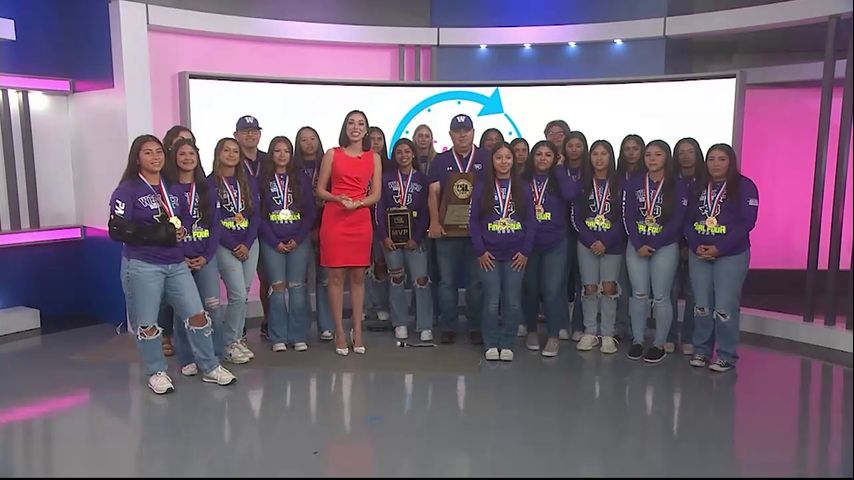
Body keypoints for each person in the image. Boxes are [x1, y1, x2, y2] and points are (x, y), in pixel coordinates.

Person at [108, 135, 235, 394]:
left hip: (176, 263)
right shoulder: (128, 189)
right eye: (148, 153)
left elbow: (188, 219)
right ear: (137, 158)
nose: (155, 157)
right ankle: (156, 372)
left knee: (198, 315)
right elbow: (116, 229)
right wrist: (158, 234)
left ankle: (209, 366)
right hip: (143, 264)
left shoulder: (171, 186)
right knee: (148, 323)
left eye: (158, 152)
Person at [686, 144, 758, 372]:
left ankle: (726, 354)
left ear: (731, 162)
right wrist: (696, 245)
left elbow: (747, 222)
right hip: (699, 253)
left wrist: (720, 247)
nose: (716, 163)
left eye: (721, 159)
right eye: (711, 159)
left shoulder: (745, 186)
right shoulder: (697, 186)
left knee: (725, 306)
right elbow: (686, 220)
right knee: (702, 305)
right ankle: (702, 350)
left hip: (731, 254)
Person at [316, 110, 383, 356]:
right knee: (335, 277)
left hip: (360, 219)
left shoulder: (373, 157)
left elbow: (376, 194)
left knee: (357, 277)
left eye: (361, 124)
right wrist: (337, 198)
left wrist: (360, 203)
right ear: (345, 128)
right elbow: (320, 190)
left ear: (366, 130)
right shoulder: (332, 154)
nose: (356, 127)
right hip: (335, 218)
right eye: (351, 123)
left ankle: (358, 329)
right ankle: (339, 332)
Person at [161, 137, 227, 376]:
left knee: (212, 307)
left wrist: (207, 256)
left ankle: (215, 354)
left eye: (191, 154)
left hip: (205, 257)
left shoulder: (207, 187)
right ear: (174, 159)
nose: (187, 158)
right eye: (182, 154)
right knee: (184, 310)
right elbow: (168, 227)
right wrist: (181, 256)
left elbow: (215, 226)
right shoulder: (167, 189)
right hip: (179, 260)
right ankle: (187, 357)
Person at [622, 140, 688, 363]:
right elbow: (628, 216)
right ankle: (638, 340)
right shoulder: (634, 183)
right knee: (639, 294)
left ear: (666, 158)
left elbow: (678, 219)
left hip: (665, 246)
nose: (652, 159)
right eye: (648, 155)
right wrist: (638, 243)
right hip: (637, 245)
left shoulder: (677, 184)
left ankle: (659, 343)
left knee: (661, 297)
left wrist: (657, 242)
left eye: (657, 155)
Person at [470, 142, 535, 362]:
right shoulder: (481, 187)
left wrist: (525, 251)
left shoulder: (523, 187)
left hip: (516, 254)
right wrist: (480, 251)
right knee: (491, 300)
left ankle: (507, 343)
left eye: (508, 157)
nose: (504, 162)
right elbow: (474, 221)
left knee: (513, 300)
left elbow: (531, 222)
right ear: (492, 161)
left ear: (514, 161)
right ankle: (491, 343)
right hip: (489, 255)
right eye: (499, 157)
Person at [427, 114, 488, 345]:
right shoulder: (440, 160)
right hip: (447, 232)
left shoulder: (485, 157)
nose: (462, 134)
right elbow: (433, 193)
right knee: (446, 282)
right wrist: (434, 221)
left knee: (476, 282)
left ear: (473, 132)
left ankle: (475, 326)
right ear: (450, 134)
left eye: (466, 130)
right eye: (457, 130)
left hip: (477, 233)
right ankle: (449, 326)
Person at [258, 135, 316, 352]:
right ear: (271, 154)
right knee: (277, 288)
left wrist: (297, 238)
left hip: (298, 241)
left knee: (298, 287)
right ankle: (278, 336)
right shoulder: (262, 180)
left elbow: (309, 213)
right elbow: (259, 215)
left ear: (291, 155)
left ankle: (298, 335)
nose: (282, 155)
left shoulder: (300, 179)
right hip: (272, 242)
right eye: (277, 151)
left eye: (286, 151)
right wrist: (274, 240)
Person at [520, 140, 579, 356]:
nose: (543, 158)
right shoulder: (523, 180)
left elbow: (572, 194)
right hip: (528, 243)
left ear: (555, 158)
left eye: (548, 155)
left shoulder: (560, 179)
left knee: (552, 290)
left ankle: (554, 335)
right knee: (531, 288)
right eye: (538, 154)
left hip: (556, 242)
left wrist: (561, 169)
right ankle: (532, 331)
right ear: (531, 157)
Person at [571, 140, 626, 355]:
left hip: (612, 245)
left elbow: (624, 217)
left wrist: (606, 241)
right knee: (589, 287)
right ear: (589, 157)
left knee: (609, 288)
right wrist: (590, 240)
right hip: (587, 244)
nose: (599, 158)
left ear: (611, 157)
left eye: (604, 153)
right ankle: (590, 331)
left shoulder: (621, 183)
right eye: (595, 153)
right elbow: (575, 216)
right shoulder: (582, 183)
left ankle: (607, 334)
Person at [376, 138, 434, 341]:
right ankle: (400, 322)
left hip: (414, 239)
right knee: (396, 279)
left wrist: (417, 237)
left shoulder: (422, 180)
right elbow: (379, 208)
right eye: (399, 152)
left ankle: (425, 324)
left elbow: (427, 212)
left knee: (421, 280)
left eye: (407, 152)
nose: (403, 155)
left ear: (413, 154)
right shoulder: (385, 178)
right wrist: (383, 236)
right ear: (395, 155)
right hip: (391, 240)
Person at [210, 138, 261, 365]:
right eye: (226, 150)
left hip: (249, 243)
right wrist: (233, 245)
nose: (231, 155)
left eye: (235, 151)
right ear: (218, 153)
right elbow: (213, 220)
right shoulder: (210, 183)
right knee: (238, 294)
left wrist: (247, 243)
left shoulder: (247, 180)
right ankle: (229, 343)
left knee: (245, 291)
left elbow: (256, 214)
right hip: (225, 244)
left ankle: (238, 338)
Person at [157, 125, 197, 357]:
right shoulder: (161, 176)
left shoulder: (196, 177)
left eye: (189, 142)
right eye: (179, 141)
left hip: (194, 242)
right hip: (165, 244)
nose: (184, 146)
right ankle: (165, 335)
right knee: (165, 294)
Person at [294, 126, 333, 341]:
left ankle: (325, 325)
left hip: (327, 226)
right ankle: (302, 326)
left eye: (312, 139)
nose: (309, 143)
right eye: (303, 140)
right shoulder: (292, 169)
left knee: (325, 279)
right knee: (300, 280)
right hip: (300, 229)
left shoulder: (328, 165)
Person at [667, 137, 705, 355]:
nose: (685, 156)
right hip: (671, 242)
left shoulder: (706, 181)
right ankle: (670, 337)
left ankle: (690, 337)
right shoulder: (669, 181)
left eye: (690, 151)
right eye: (681, 152)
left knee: (693, 293)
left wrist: (691, 243)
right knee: (669, 292)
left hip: (697, 244)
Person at [234, 115, 270, 341]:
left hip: (270, 226)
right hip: (242, 229)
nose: (250, 134)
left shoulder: (269, 159)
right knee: (240, 286)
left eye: (254, 130)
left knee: (268, 278)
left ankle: (268, 322)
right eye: (245, 130)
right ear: (236, 135)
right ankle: (240, 328)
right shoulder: (230, 160)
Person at [614, 134, 646, 341]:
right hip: (617, 237)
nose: (631, 152)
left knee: (646, 289)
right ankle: (621, 326)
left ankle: (640, 331)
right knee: (622, 286)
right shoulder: (615, 177)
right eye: (627, 148)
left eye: (635, 148)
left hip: (645, 238)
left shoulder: (650, 176)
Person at [562, 131, 589, 342]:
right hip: (562, 230)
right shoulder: (558, 168)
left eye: (578, 145)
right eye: (569, 145)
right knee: (561, 280)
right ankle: (562, 322)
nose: (573, 149)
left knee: (582, 281)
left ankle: (579, 324)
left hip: (585, 230)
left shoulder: (591, 170)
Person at [365, 127, 392, 327]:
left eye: (379, 139)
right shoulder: (358, 162)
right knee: (363, 266)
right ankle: (365, 307)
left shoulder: (391, 166)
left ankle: (382, 306)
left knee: (382, 265)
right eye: (372, 139)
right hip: (361, 220)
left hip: (385, 223)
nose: (376, 142)